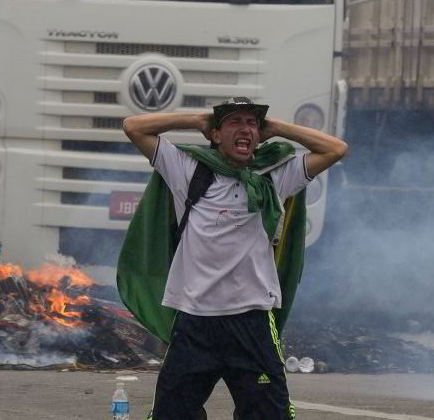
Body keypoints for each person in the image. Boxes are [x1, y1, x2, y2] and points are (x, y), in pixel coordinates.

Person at [121, 97, 348, 420]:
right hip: (195, 320)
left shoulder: (274, 177)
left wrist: (278, 128)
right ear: (215, 135)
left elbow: (336, 149)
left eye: (252, 124)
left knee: (269, 415)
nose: (246, 129)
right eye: (234, 122)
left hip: (251, 319)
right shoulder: (190, 170)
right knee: (172, 415)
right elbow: (133, 127)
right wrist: (197, 120)